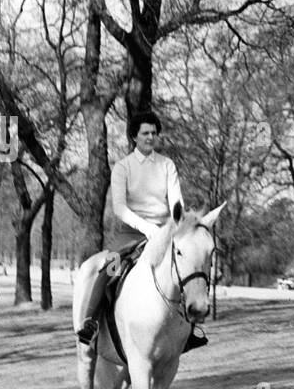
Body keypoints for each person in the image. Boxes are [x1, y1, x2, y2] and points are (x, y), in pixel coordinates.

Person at [74, 110, 208, 351]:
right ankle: (91, 322)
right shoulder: (122, 168)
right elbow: (120, 208)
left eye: (154, 133)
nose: (150, 137)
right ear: (134, 136)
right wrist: (147, 229)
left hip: (166, 231)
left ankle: (188, 330)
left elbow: (177, 202)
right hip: (131, 232)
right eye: (145, 133)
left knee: (184, 267)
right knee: (110, 266)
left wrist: (175, 225)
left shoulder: (167, 165)